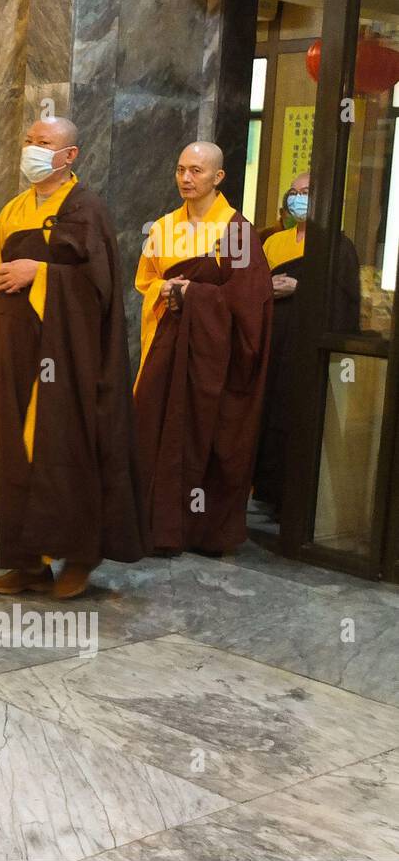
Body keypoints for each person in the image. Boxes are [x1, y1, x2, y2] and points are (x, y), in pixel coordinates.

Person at [0, 117, 146, 599]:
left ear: (70, 156)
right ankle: (27, 563)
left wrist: (41, 274)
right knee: (18, 453)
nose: (32, 149)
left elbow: (100, 287)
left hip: (67, 358)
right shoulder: (14, 208)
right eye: (28, 140)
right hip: (15, 348)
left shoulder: (88, 209)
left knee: (64, 449)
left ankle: (78, 557)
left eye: (43, 143)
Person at [134, 141, 273, 556]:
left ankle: (201, 531)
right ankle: (154, 527)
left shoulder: (233, 230)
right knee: (152, 427)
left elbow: (249, 300)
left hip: (215, 358)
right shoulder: (163, 227)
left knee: (205, 434)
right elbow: (146, 282)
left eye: (196, 171)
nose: (186, 178)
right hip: (168, 342)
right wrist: (169, 289)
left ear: (218, 177)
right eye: (180, 170)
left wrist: (195, 294)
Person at [252, 173, 361, 517]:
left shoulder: (336, 246)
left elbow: (344, 298)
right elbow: (249, 285)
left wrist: (302, 286)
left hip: (304, 349)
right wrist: (267, 289)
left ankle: (295, 502)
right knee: (266, 413)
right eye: (294, 193)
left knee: (296, 415)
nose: (298, 199)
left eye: (307, 193)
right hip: (273, 339)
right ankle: (264, 491)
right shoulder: (273, 242)